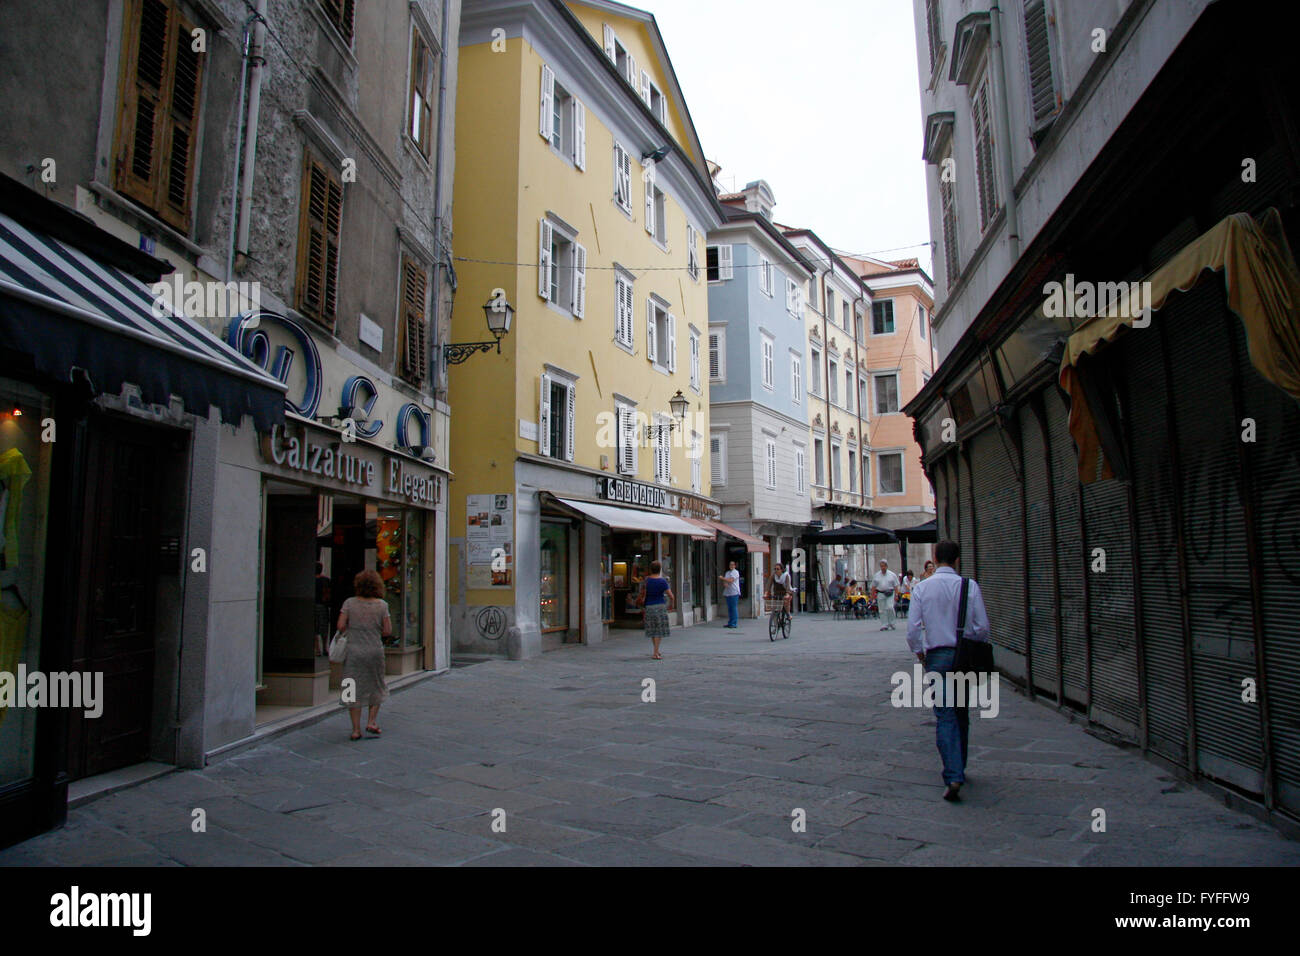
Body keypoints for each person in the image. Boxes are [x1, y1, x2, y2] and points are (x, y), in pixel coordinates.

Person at [906, 539, 991, 801]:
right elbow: (982, 628)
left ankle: (953, 774)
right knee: (962, 712)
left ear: (935, 556)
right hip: (962, 656)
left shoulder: (922, 588)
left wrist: (920, 652)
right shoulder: (969, 586)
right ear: (957, 559)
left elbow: (912, 630)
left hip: (937, 656)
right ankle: (960, 767)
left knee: (944, 715)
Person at [337, 569, 392, 741]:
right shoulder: (382, 605)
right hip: (374, 650)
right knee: (376, 685)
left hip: (354, 650)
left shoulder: (349, 603)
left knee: (352, 687)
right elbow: (388, 631)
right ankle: (372, 721)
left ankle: (355, 729)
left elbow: (340, 625)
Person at [637, 561, 675, 659]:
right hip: (660, 606)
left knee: (653, 630)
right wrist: (671, 605)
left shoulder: (647, 580)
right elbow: (671, 596)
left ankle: (656, 650)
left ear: (651, 569)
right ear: (660, 569)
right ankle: (655, 653)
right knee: (659, 630)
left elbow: (644, 592)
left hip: (649, 607)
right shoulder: (662, 581)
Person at [872, 559, 901, 631]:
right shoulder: (877, 575)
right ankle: (884, 624)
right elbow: (873, 586)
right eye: (881, 566)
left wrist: (897, 595)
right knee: (882, 610)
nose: (883, 568)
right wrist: (872, 596)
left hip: (890, 593)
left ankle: (892, 623)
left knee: (890, 607)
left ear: (887, 566)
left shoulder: (892, 575)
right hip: (880, 593)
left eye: (884, 566)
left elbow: (896, 585)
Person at [719, 560, 741, 628]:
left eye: (732, 565)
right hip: (728, 593)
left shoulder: (736, 572)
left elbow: (731, 580)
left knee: (733, 608)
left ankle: (734, 623)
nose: (731, 566)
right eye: (730, 565)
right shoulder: (727, 572)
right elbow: (725, 581)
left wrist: (722, 578)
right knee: (730, 608)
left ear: (734, 566)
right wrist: (725, 583)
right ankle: (730, 622)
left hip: (734, 592)